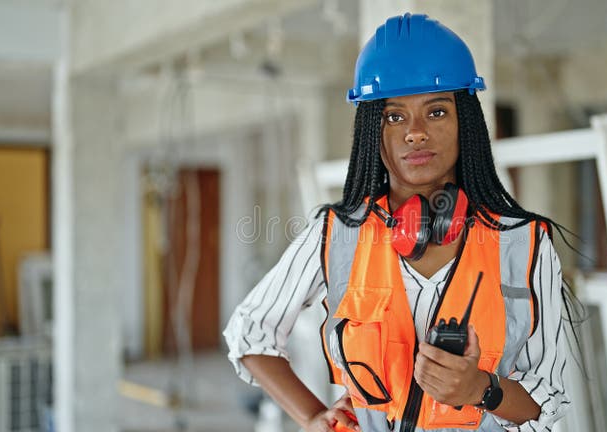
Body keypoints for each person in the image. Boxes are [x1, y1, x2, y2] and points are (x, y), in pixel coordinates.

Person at [224, 13, 571, 432]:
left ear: (465, 121)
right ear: (372, 129)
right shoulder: (338, 234)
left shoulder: (524, 244)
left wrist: (481, 389)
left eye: (437, 111)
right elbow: (249, 333)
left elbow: (548, 403)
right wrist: (312, 416)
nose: (415, 133)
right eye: (394, 117)